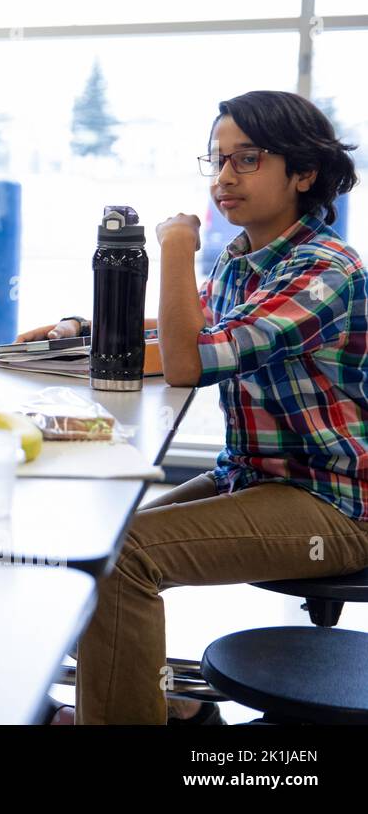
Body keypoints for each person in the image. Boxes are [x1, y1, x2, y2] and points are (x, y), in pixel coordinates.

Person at [21, 90, 368, 724]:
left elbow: (189, 362)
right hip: (256, 477)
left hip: (332, 501)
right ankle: (176, 711)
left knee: (125, 557)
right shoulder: (244, 264)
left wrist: (177, 245)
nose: (226, 176)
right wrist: (83, 327)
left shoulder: (326, 270)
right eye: (218, 159)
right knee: (93, 542)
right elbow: (192, 332)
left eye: (249, 158)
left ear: (304, 173)